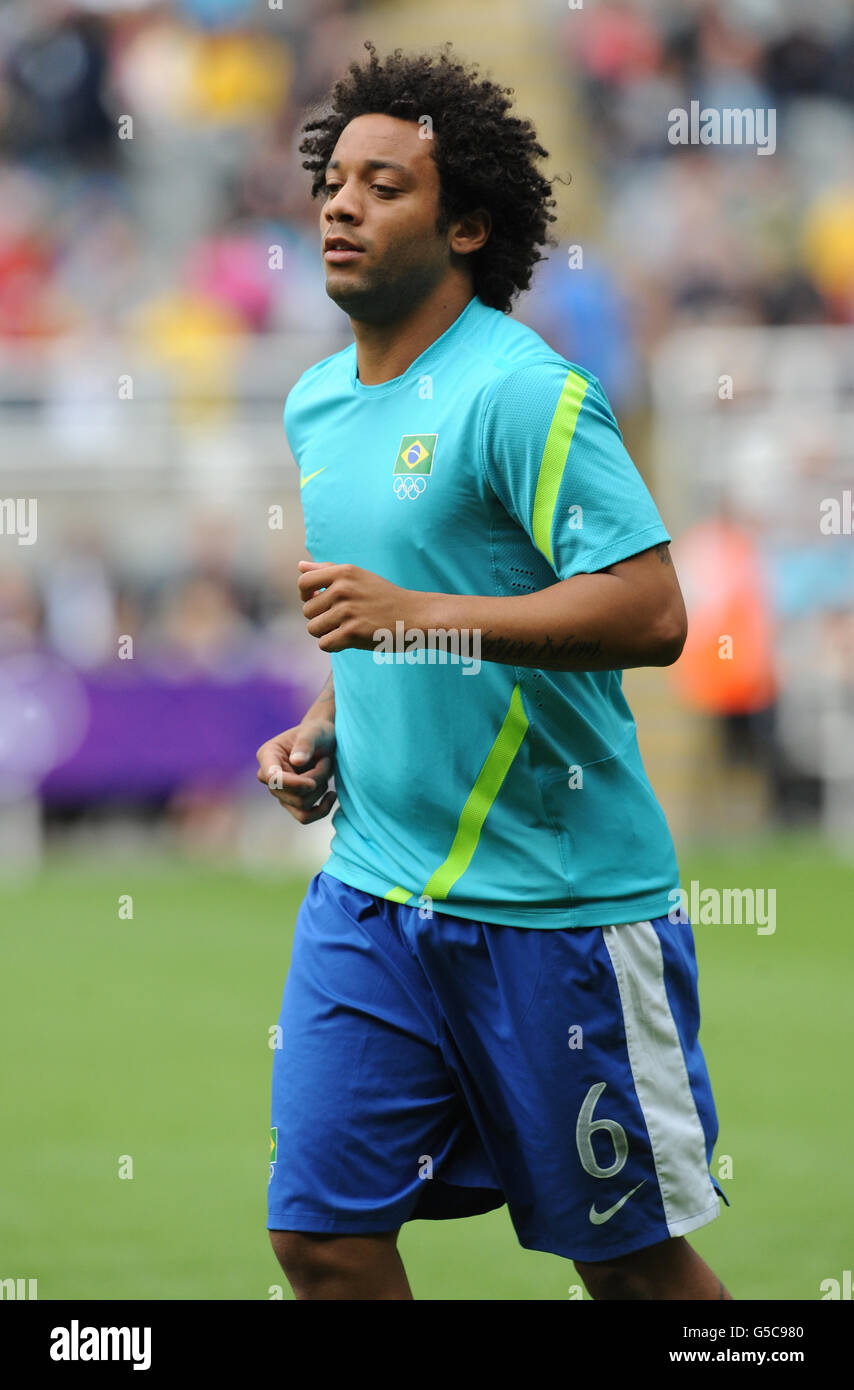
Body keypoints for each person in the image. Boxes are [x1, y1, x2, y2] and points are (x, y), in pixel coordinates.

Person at [256, 42, 729, 1301]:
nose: (341, 205)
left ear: (466, 224)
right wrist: (326, 728)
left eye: (383, 185)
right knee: (320, 1242)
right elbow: (392, 619)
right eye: (332, 180)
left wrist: (418, 617)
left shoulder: (524, 392)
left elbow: (651, 609)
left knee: (628, 1269)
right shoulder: (315, 402)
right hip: (372, 897)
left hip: (556, 910)